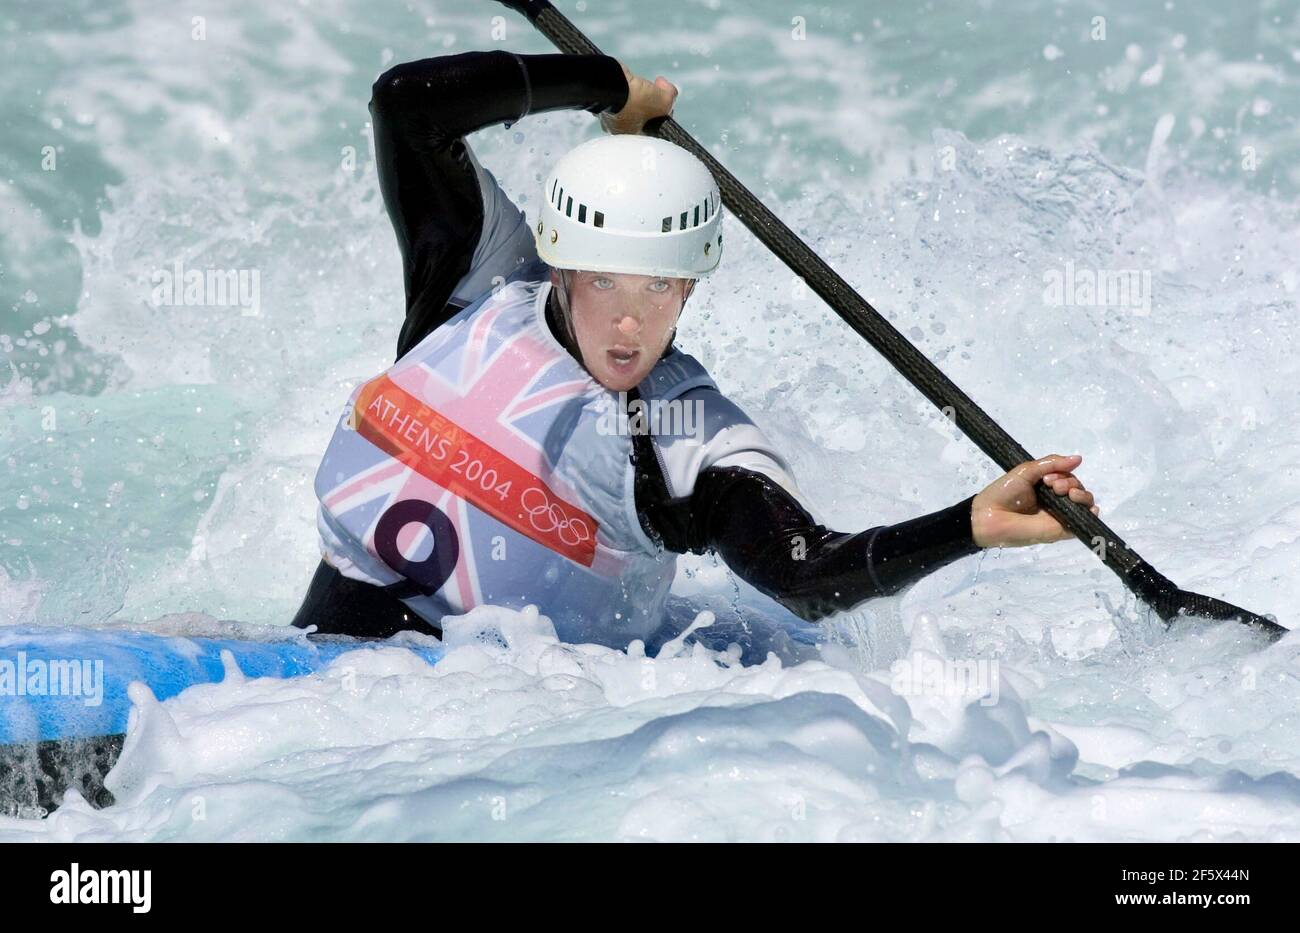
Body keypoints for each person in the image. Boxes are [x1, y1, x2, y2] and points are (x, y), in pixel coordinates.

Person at [290, 50, 1099, 646]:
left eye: (660, 289)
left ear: (692, 288)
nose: (631, 324)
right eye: (606, 283)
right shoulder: (481, 282)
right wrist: (605, 86)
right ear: (562, 262)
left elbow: (808, 575)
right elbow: (406, 104)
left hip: (474, 721)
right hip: (320, 651)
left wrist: (972, 523)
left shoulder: (684, 439)